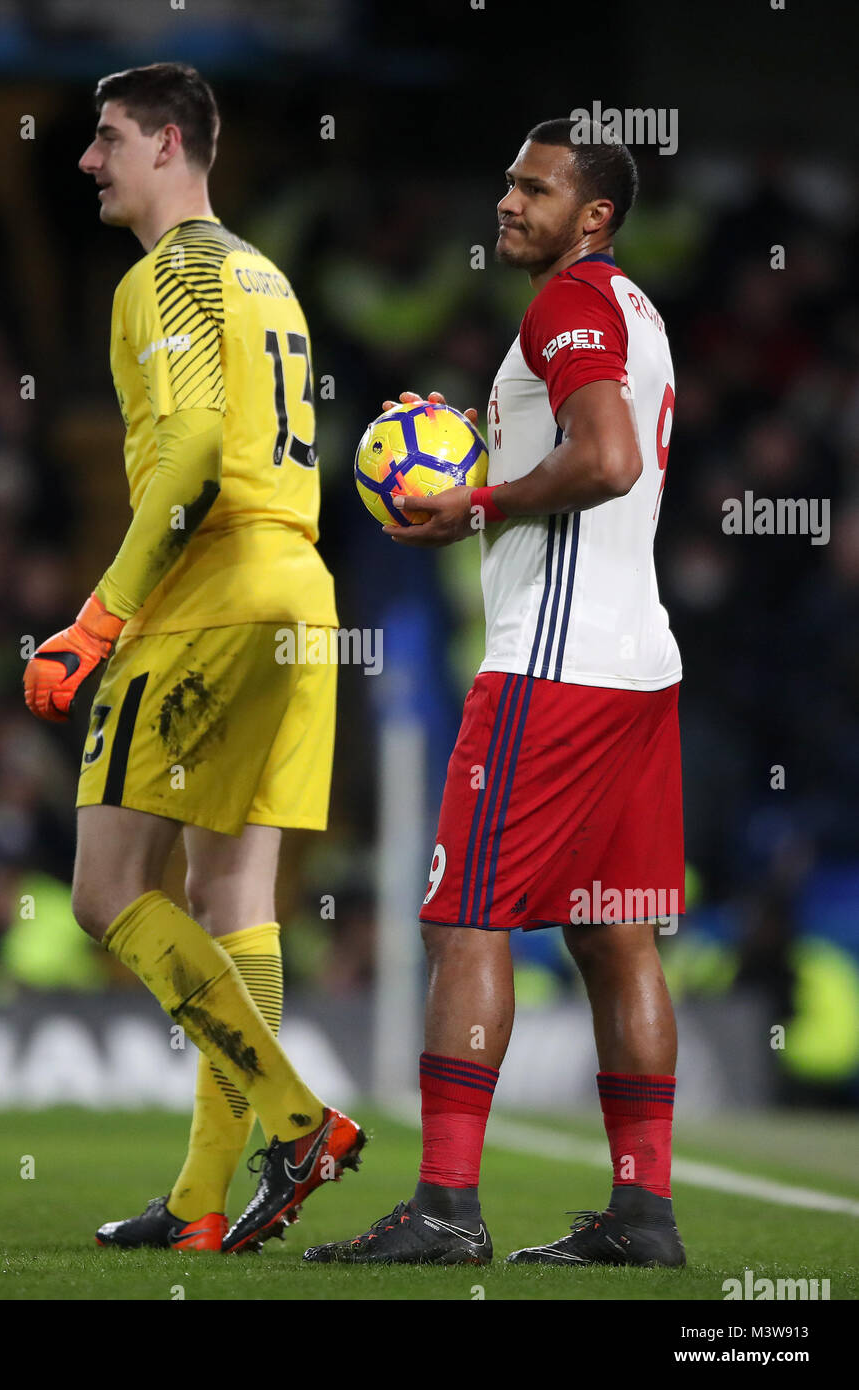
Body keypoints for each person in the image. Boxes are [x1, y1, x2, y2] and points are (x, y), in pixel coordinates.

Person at [305, 118, 685, 1266]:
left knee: (462, 915)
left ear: (596, 215)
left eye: (536, 187)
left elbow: (607, 458)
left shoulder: (564, 304)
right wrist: (497, 445)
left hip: (552, 666)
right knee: (613, 936)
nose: (509, 202)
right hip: (640, 664)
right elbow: (606, 450)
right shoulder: (634, 311)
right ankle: (642, 1212)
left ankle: (444, 1210)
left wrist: (478, 502)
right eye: (507, 183)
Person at [23, 62, 363, 1255]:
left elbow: (197, 451)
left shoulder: (162, 273)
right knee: (234, 897)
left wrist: (101, 615)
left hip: (208, 597)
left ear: (169, 144)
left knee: (108, 891)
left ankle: (296, 1117)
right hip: (302, 596)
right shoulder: (267, 275)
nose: (87, 159)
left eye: (106, 137)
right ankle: (203, 1199)